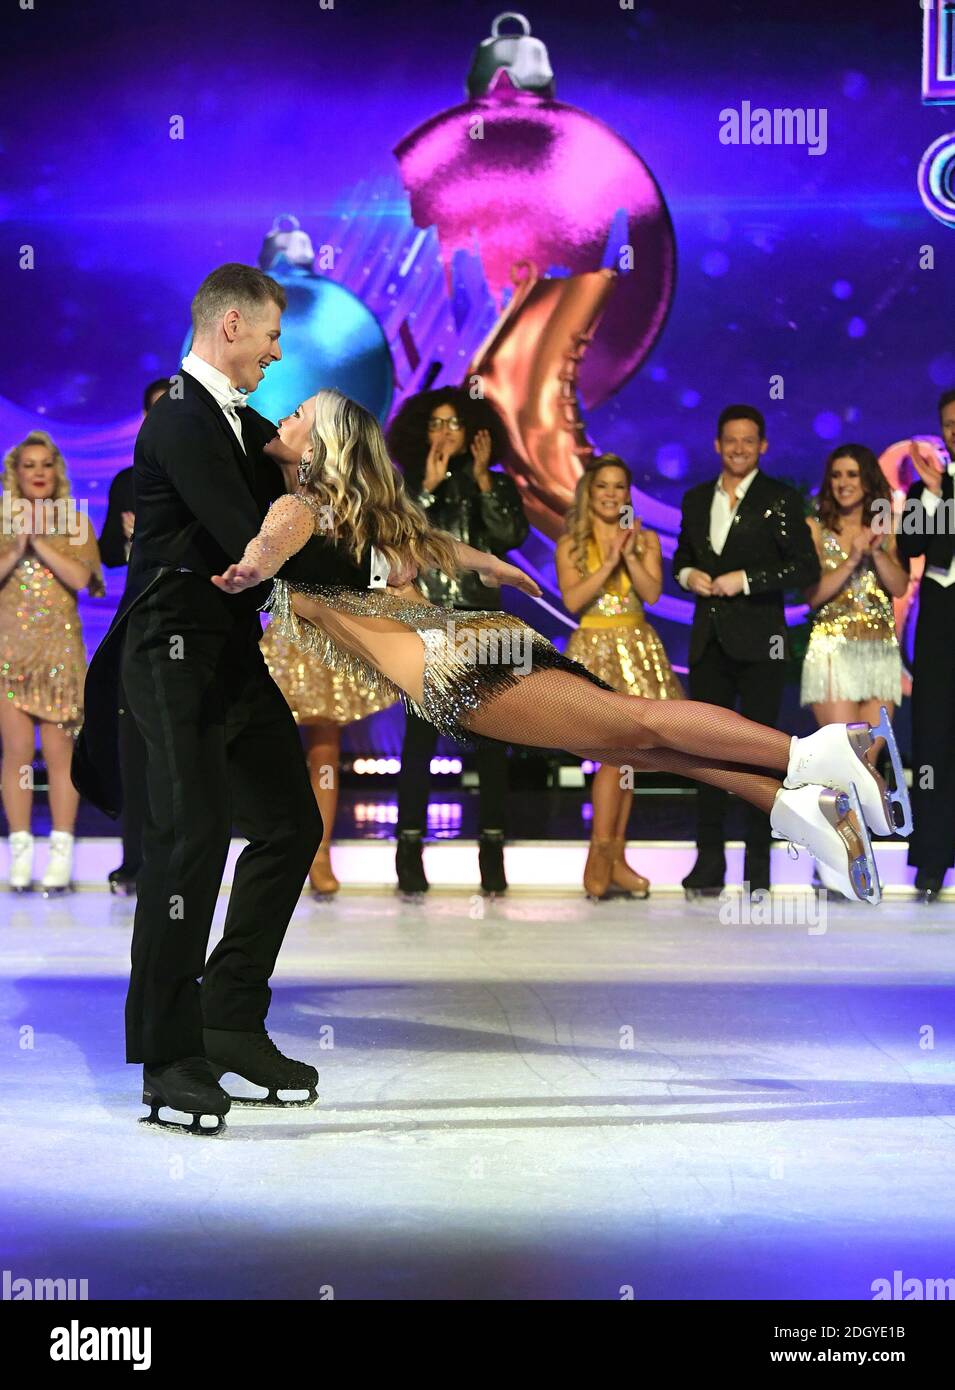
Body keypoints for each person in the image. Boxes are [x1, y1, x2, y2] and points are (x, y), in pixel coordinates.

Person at [213, 388, 910, 922]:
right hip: (461, 654)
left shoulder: (299, 510)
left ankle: (817, 756)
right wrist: (495, 563)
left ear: (320, 445)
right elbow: (429, 546)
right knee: (640, 743)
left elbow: (271, 546)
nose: (285, 417)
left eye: (299, 413)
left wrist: (245, 572)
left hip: (453, 668)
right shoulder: (345, 511)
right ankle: (805, 810)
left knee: (639, 726)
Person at [72, 264, 411, 1135]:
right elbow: (251, 536)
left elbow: (302, 514)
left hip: (228, 656)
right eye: (269, 336)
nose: (277, 350)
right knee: (186, 848)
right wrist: (368, 572)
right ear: (230, 328)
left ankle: (227, 1017)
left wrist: (378, 559)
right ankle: (167, 1056)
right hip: (165, 658)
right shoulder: (180, 422)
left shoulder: (240, 421)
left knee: (291, 825)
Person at [672, 405, 821, 897]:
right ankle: (708, 863)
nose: (739, 448)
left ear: (763, 446)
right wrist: (688, 576)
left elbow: (804, 568)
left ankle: (759, 868)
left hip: (762, 645)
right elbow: (683, 559)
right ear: (717, 444)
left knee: (761, 758)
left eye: (748, 440)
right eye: (730, 440)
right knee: (704, 755)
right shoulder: (696, 499)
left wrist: (747, 581)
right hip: (710, 643)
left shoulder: (779, 499)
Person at [386, 388, 528, 895]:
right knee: (419, 743)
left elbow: (508, 536)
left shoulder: (497, 484)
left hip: (485, 624)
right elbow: (398, 540)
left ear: (474, 432)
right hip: (426, 623)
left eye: (454, 424)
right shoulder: (404, 486)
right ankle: (408, 851)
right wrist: (426, 485)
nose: (444, 433)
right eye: (436, 424)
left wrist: (486, 481)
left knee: (491, 741)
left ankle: (492, 852)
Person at [557, 455, 683, 900]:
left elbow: (651, 594)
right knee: (612, 757)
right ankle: (599, 853)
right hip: (595, 649)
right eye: (603, 487)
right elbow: (573, 600)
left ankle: (617, 857)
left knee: (632, 760)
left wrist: (629, 555)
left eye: (619, 487)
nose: (611, 495)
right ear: (589, 494)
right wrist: (608, 563)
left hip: (637, 648)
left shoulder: (644, 539)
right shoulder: (572, 542)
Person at [1, 431, 104, 894]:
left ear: (56, 470)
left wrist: (37, 543)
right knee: (18, 755)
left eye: (46, 464)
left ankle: (61, 855)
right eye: (29, 465)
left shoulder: (75, 522)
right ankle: (20, 854)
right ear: (16, 473)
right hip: (9, 655)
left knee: (61, 756)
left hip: (60, 654)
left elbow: (83, 578)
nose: (38, 473)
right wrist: (15, 543)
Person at [97, 377, 170, 895]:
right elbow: (105, 553)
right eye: (154, 411)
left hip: (189, 620)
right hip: (136, 617)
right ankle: (133, 858)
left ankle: (179, 857)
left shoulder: (205, 472)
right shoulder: (127, 480)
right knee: (133, 738)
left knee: (180, 742)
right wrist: (128, 539)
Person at [897, 390, 955, 901]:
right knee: (934, 741)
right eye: (949, 425)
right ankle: (933, 859)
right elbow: (911, 546)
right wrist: (935, 495)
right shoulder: (924, 491)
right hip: (940, 627)